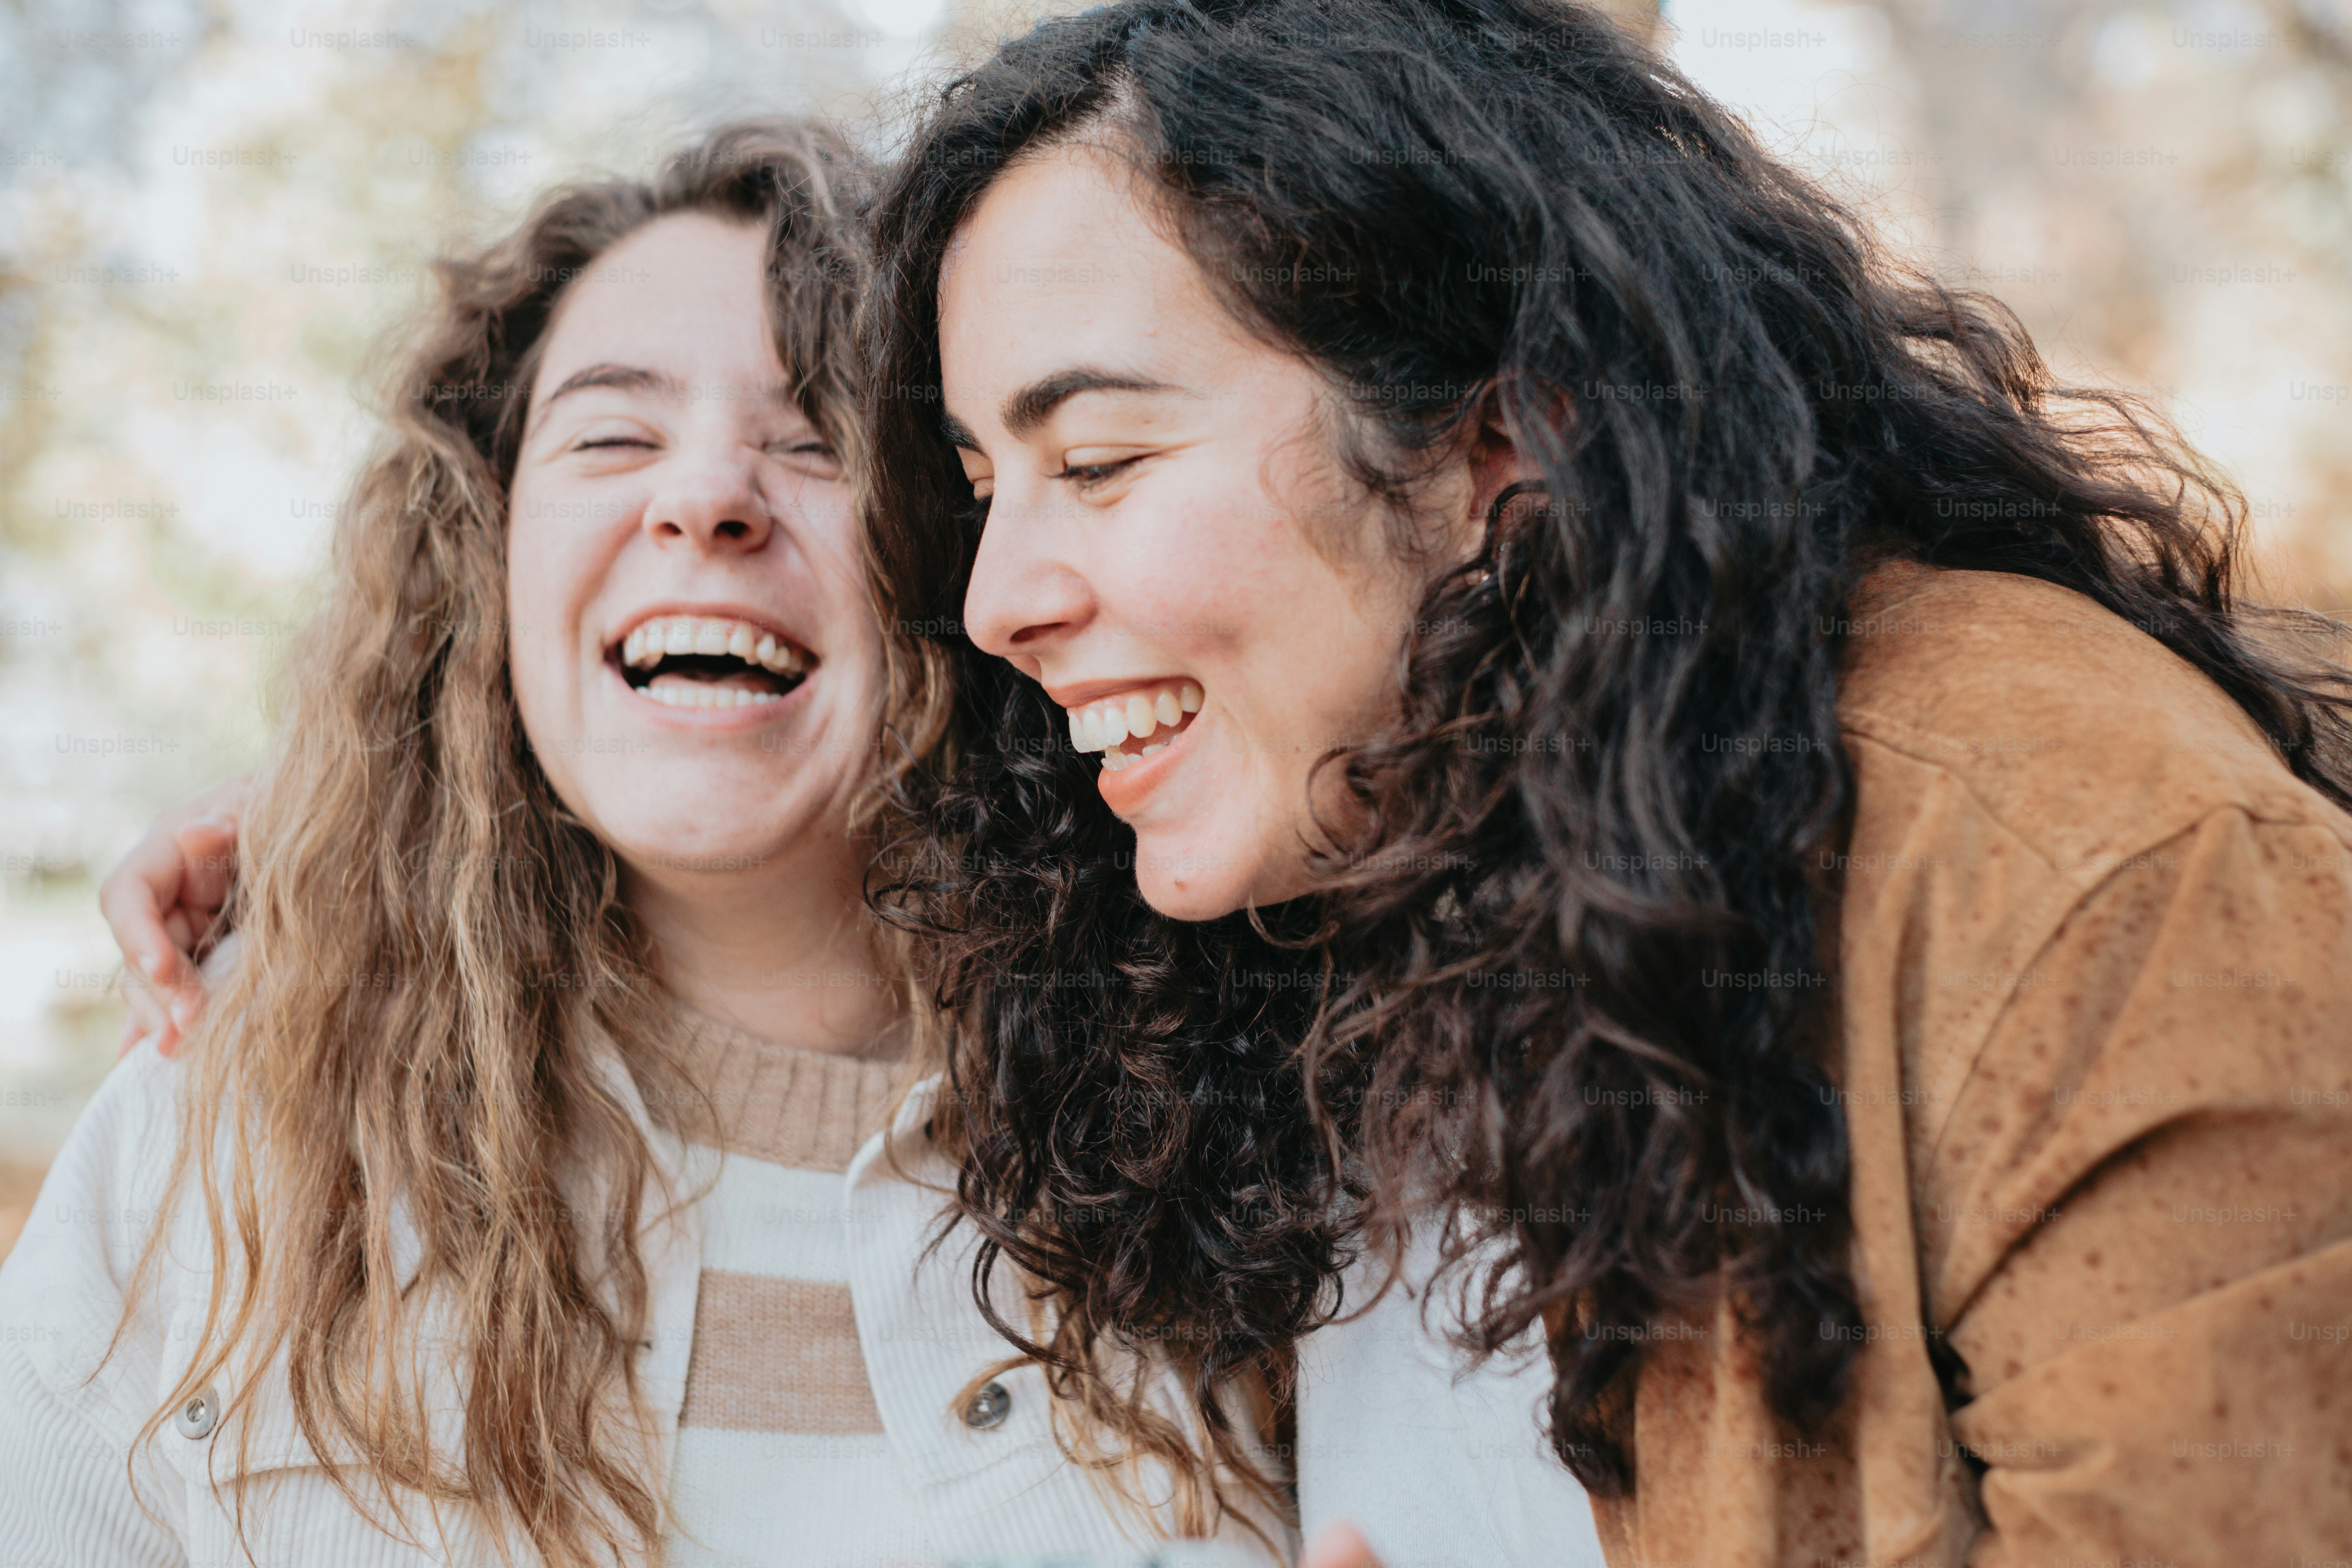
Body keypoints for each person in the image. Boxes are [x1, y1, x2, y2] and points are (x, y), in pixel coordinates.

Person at [849, 2, 2352, 1564]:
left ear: (1503, 442)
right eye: (980, 487)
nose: (997, 595)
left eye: (1096, 462)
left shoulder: (2096, 875)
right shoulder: (1359, 911)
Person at [65, 118, 1596, 1568]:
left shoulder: (1274, 1122)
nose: (707, 500)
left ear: (961, 556)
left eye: (815, 440)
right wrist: (331, 848)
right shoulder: (222, 1110)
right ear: (485, 561)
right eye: (612, 434)